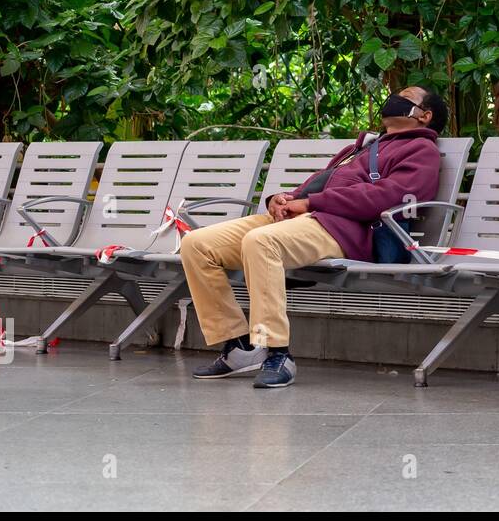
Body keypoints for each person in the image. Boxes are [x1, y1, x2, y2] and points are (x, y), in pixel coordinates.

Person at [180, 84, 447, 388]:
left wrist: (309, 203)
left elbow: (389, 197)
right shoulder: (363, 147)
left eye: (406, 97)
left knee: (261, 241)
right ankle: (238, 348)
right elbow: (317, 186)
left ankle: (276, 352)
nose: (393, 99)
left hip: (343, 230)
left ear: (425, 115)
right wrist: (282, 199)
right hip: (306, 218)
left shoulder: (421, 151)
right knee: (197, 244)